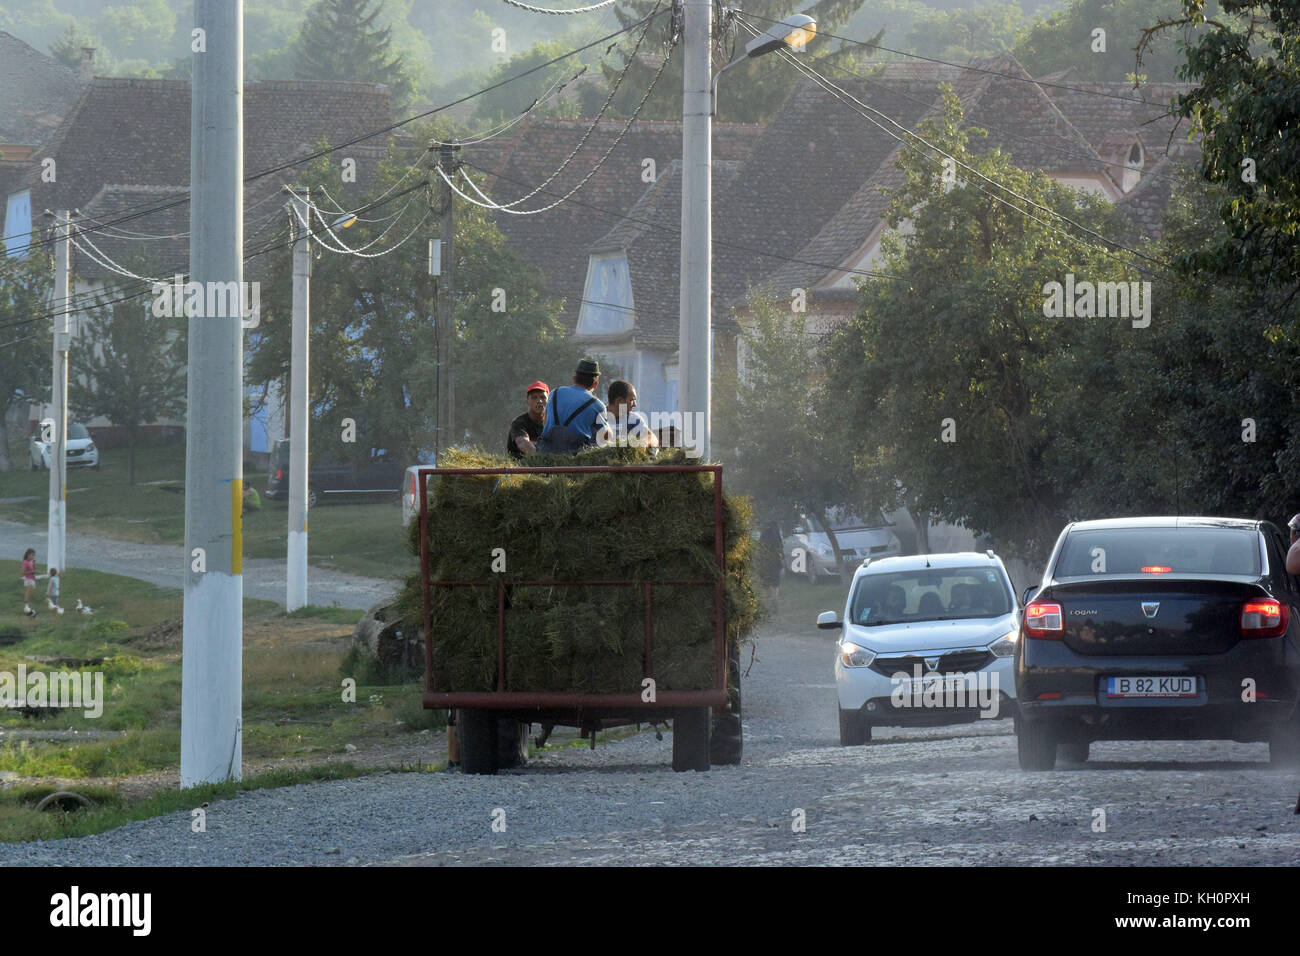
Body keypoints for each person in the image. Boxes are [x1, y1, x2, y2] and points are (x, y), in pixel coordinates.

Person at [537, 359, 606, 453]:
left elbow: (545, 421)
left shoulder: (554, 393)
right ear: (595, 384)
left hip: (545, 453)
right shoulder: (597, 405)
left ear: (574, 378)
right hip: (576, 458)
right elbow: (605, 436)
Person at [601, 380, 658, 449]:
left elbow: (652, 439)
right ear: (620, 401)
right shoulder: (597, 418)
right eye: (632, 400)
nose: (635, 404)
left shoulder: (633, 419)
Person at [506, 381, 549, 459]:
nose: (539, 401)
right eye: (534, 397)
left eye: (543, 397)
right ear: (527, 401)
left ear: (548, 401)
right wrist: (542, 459)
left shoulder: (552, 422)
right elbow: (523, 444)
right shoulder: (519, 423)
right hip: (521, 467)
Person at [20, 548, 37, 617]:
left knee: (31, 595)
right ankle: (26, 607)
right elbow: (22, 573)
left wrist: (34, 564)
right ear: (28, 555)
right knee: (28, 594)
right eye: (32, 555)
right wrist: (31, 572)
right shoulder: (25, 562)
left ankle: (28, 610)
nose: (33, 557)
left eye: (34, 555)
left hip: (32, 579)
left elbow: (34, 570)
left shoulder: (31, 562)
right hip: (28, 580)